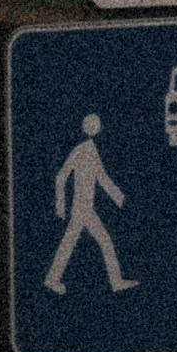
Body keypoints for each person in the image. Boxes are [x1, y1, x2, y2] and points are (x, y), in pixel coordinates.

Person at [45, 111, 133, 294]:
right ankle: (115, 282)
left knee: (76, 242)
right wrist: (60, 204)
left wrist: (119, 197)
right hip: (81, 207)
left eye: (97, 124)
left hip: (85, 207)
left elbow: (101, 178)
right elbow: (61, 176)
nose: (97, 127)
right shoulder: (82, 149)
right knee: (102, 241)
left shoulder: (91, 149)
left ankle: (53, 279)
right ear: (90, 127)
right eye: (94, 124)